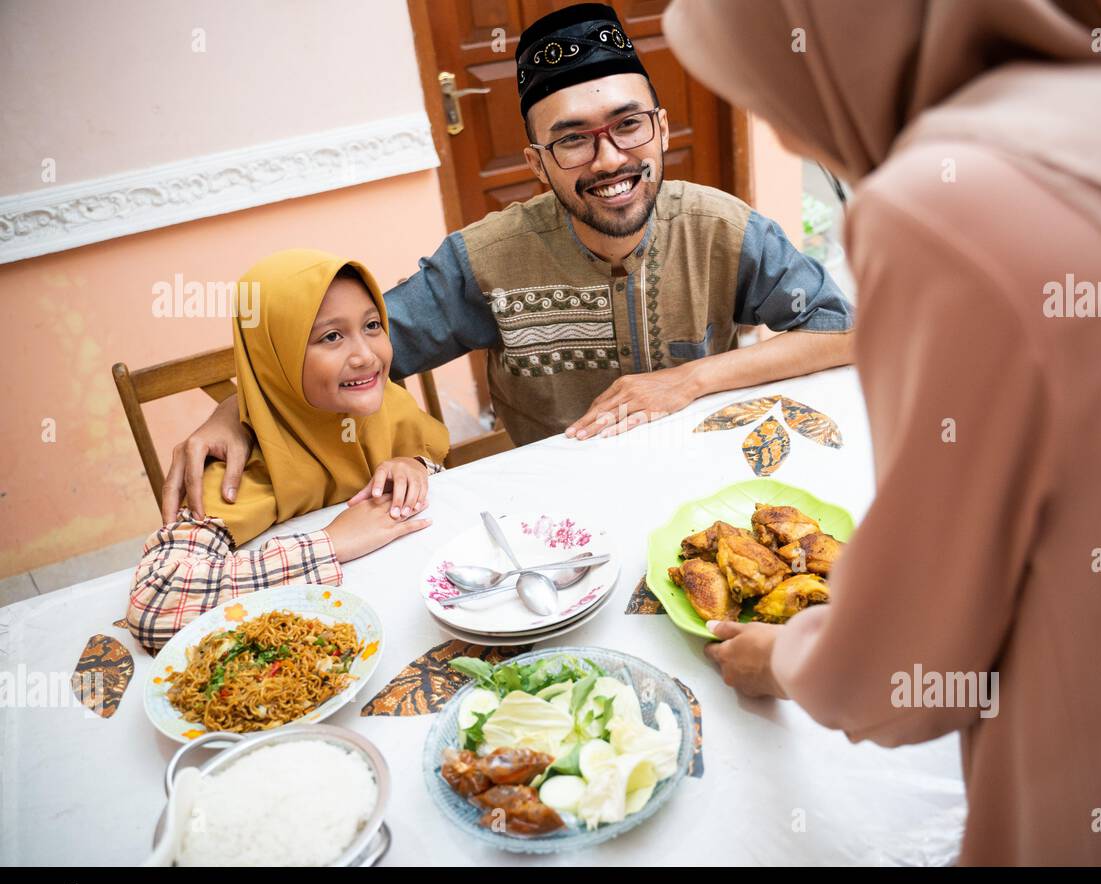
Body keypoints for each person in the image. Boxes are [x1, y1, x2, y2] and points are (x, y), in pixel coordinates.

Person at [665, 0, 1101, 864]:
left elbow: (906, 678)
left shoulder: (944, 206)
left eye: (773, 95)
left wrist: (783, 659)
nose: (786, 140)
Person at [159, 2, 854, 523]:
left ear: (661, 127)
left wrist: (689, 380)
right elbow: (362, 354)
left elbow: (844, 330)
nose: (611, 159)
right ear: (537, 164)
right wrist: (236, 413)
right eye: (573, 140)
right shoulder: (485, 260)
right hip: (559, 514)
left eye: (628, 125)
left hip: (707, 490)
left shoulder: (721, 228)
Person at [126, 250, 449, 653]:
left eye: (371, 325)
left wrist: (413, 465)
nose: (366, 354)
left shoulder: (388, 408)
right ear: (274, 358)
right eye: (331, 336)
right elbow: (157, 604)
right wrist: (330, 543)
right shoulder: (234, 468)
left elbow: (432, 456)